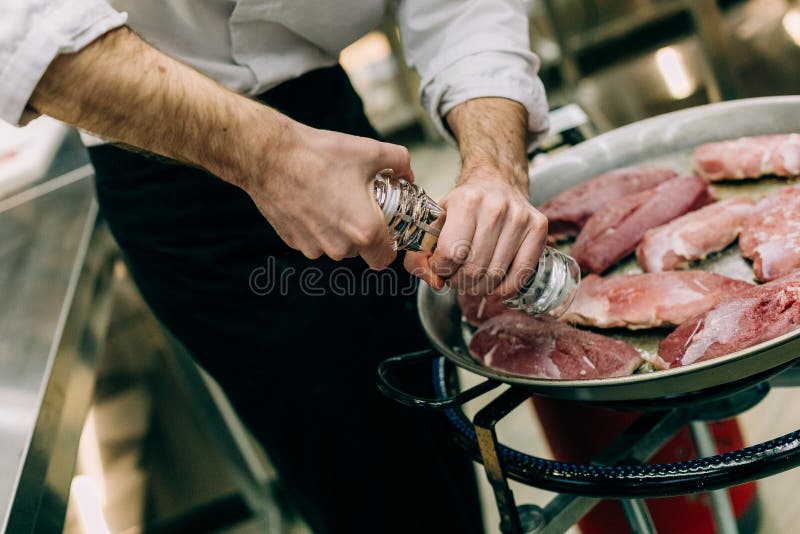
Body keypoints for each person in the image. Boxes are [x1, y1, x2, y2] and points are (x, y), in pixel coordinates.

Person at [3, 1, 551, 532]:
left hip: (333, 129)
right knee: (361, 485)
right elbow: (25, 27)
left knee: (428, 447)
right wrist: (271, 157)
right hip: (167, 154)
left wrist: (494, 165)